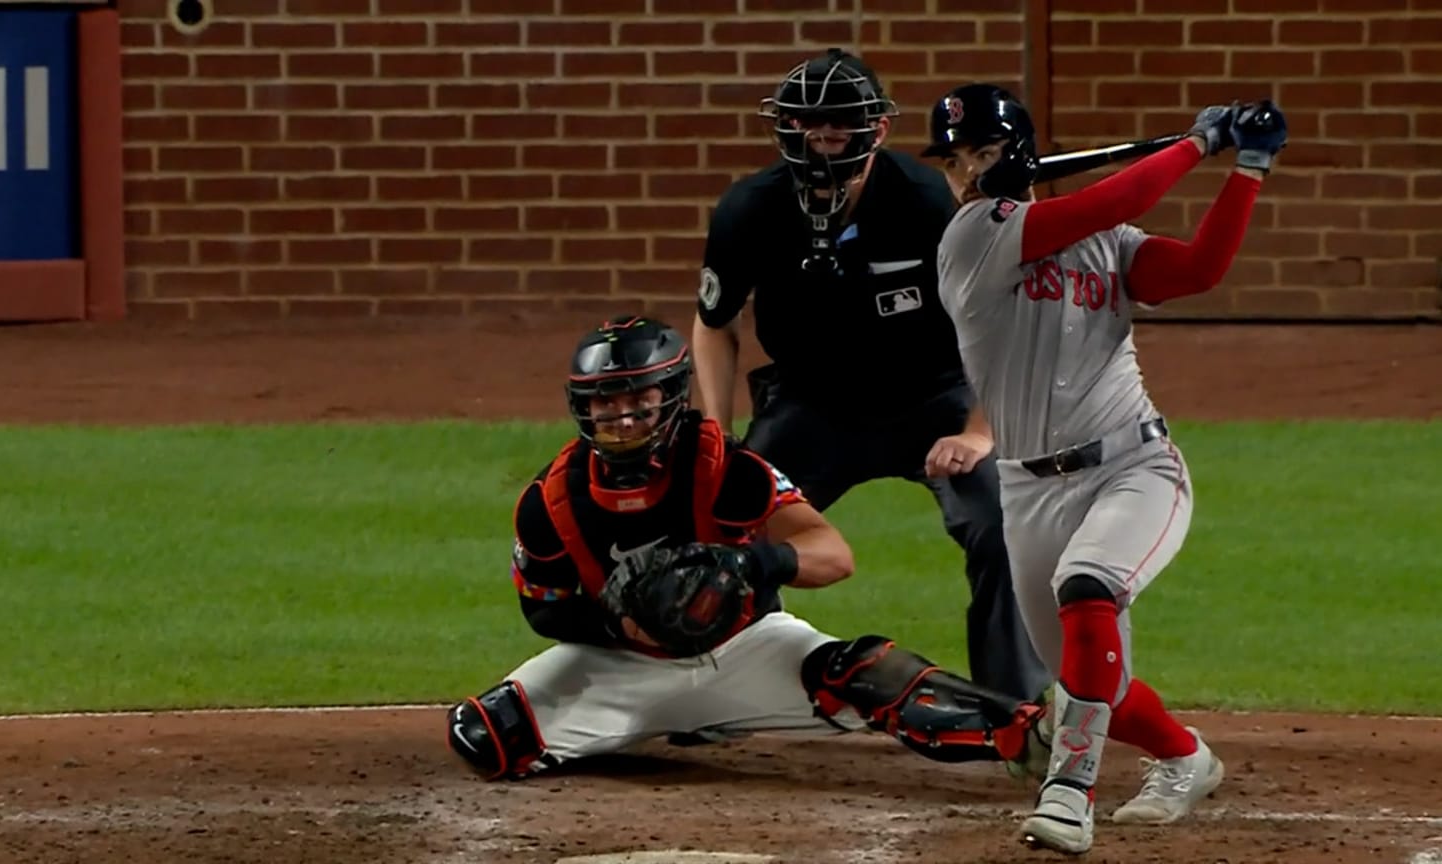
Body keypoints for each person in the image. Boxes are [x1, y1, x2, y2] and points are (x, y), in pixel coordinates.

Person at [445, 314, 1054, 784]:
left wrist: (751, 562)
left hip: (744, 649)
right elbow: (543, 607)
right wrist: (619, 620)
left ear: (669, 396)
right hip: (623, 665)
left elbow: (832, 553)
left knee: (864, 671)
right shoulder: (551, 500)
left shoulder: (722, 466)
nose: (622, 418)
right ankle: (635, 730)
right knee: (484, 734)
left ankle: (1028, 735)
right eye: (606, 401)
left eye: (637, 400)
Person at [922, 83, 1286, 854]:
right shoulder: (970, 237)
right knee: (1094, 685)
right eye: (953, 161)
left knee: (1089, 589)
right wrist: (1197, 143)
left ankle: (1069, 793)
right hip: (1027, 489)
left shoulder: (1106, 241)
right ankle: (1186, 759)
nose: (965, 173)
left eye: (981, 154)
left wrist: (1247, 169)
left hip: (1134, 466)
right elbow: (1112, 198)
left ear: (1018, 154)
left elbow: (1197, 270)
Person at [689, 47, 1053, 706]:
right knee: (722, 520)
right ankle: (723, 691)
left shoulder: (928, 202)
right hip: (812, 402)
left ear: (878, 129)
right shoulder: (751, 207)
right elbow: (714, 323)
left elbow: (1005, 317)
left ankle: (1012, 707)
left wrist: (979, 430)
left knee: (1006, 522)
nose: (821, 137)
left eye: (837, 123)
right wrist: (718, 432)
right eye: (806, 123)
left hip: (936, 397)